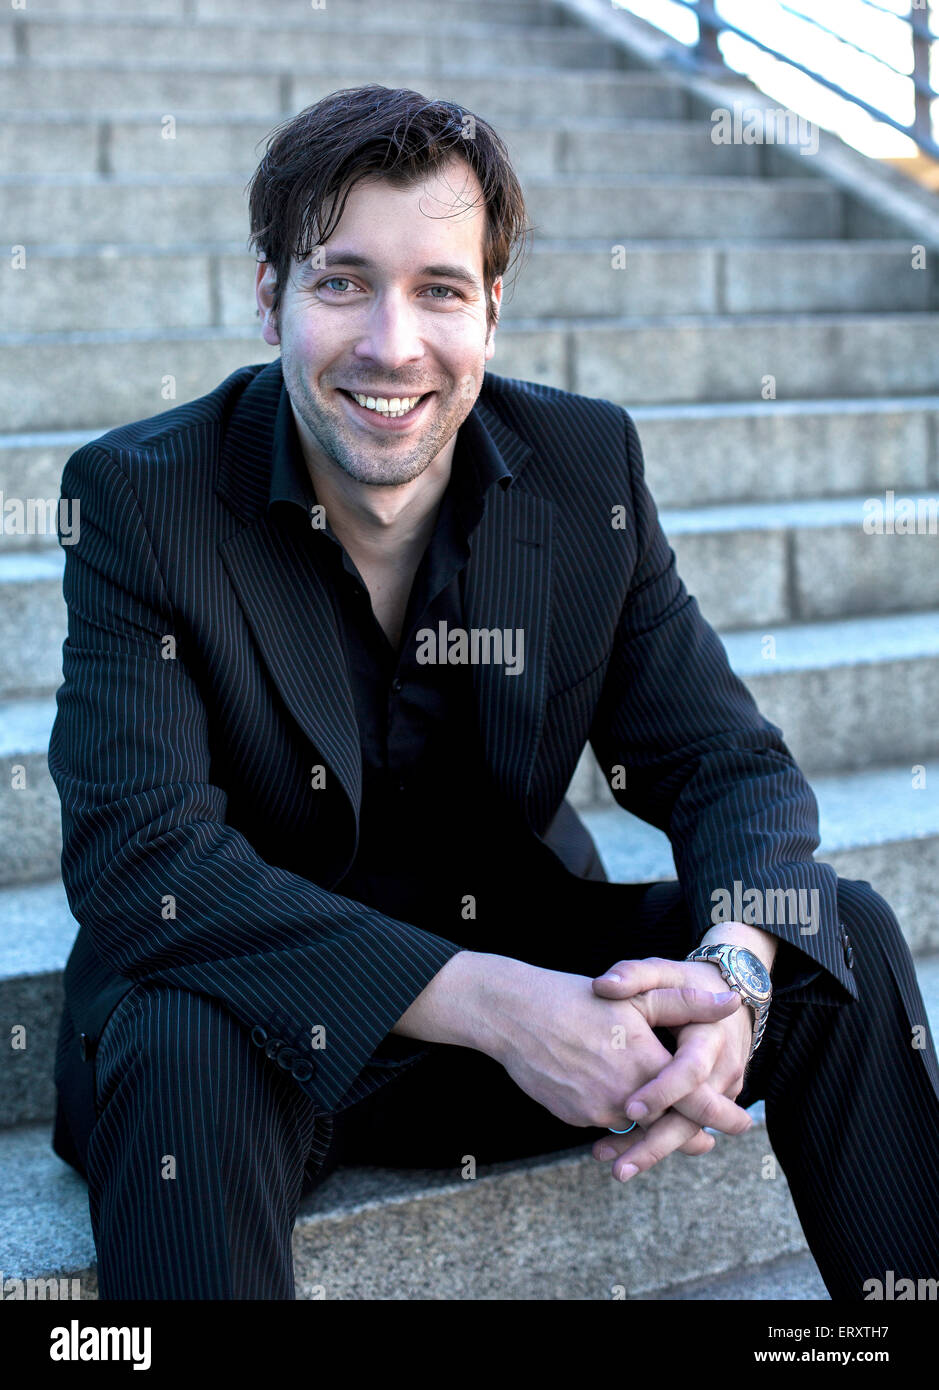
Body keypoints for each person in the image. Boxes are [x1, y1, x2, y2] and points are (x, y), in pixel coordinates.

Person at [48, 84, 939, 1301]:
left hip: (534, 995)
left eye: (440, 289)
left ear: (493, 310)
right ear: (268, 298)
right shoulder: (141, 498)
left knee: (838, 929)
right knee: (178, 1040)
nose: (392, 343)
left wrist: (732, 967)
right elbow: (142, 863)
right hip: (270, 1029)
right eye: (342, 281)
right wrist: (495, 1005)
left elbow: (725, 763)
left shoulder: (583, 467)